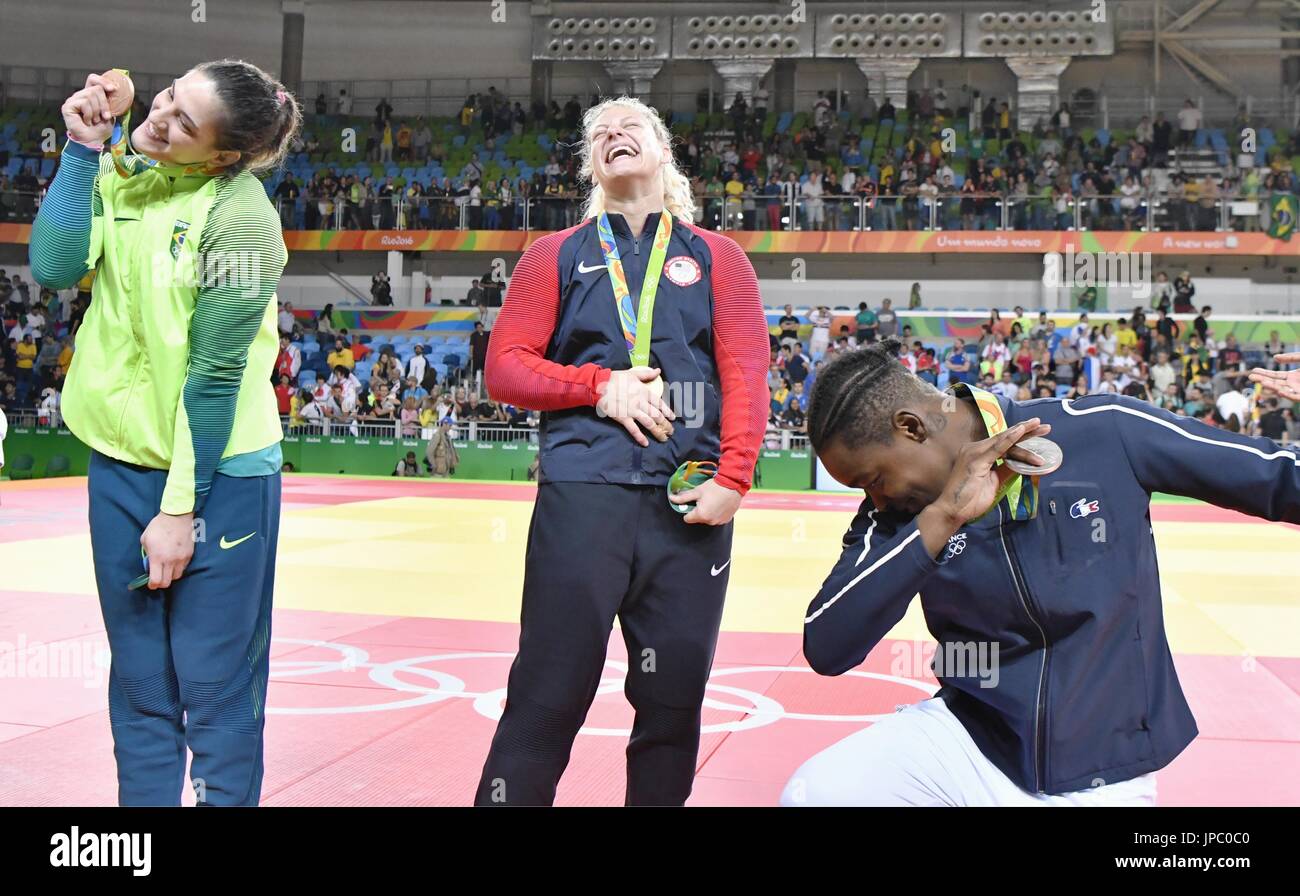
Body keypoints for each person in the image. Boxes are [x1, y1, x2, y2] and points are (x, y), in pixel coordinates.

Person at [780, 339, 1300, 806]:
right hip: (971, 741)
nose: (874, 497)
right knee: (814, 793)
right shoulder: (900, 512)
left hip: (1101, 767)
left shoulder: (1103, 430)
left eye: (872, 479)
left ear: (911, 427)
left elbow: (1279, 479)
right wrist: (944, 517)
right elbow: (828, 647)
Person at [474, 95, 769, 807]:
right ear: (591, 166)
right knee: (546, 695)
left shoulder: (719, 259)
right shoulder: (554, 255)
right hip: (584, 496)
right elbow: (505, 368)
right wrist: (598, 386)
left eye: (629, 127)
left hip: (688, 507)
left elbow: (746, 374)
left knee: (671, 705)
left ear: (663, 153)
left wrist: (735, 477)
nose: (612, 136)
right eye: (598, 134)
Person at [29, 61, 299, 806]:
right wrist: (84, 151)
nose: (159, 120)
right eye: (168, 98)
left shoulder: (243, 218)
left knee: (215, 691)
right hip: (120, 466)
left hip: (220, 474)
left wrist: (181, 511)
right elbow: (53, 267)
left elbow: (213, 378)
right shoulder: (129, 170)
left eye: (184, 123)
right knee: (142, 681)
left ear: (221, 155)